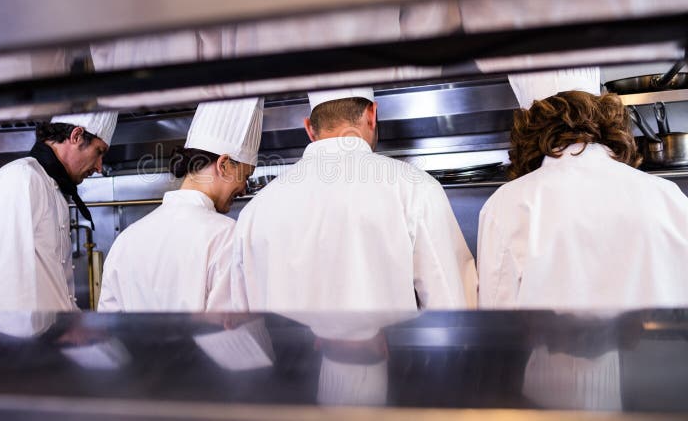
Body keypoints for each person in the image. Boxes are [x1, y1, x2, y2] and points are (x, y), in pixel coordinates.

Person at [231, 87, 477, 311]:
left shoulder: (253, 212)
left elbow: (241, 328)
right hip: (389, 349)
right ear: (372, 114)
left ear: (309, 128)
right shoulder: (415, 188)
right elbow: (452, 308)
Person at [478, 67, 688, 309]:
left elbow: (496, 318)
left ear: (528, 127)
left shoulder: (507, 205)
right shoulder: (668, 196)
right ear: (603, 113)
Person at [98, 97, 263, 312]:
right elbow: (231, 328)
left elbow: (109, 324)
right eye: (246, 176)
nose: (244, 189)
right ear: (224, 165)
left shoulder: (125, 240)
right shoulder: (226, 236)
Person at [0, 112, 118, 312]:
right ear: (76, 136)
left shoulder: (52, 187)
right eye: (99, 152)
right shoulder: (22, 178)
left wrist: (74, 320)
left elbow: (53, 287)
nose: (99, 167)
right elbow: (3, 292)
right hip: (17, 332)